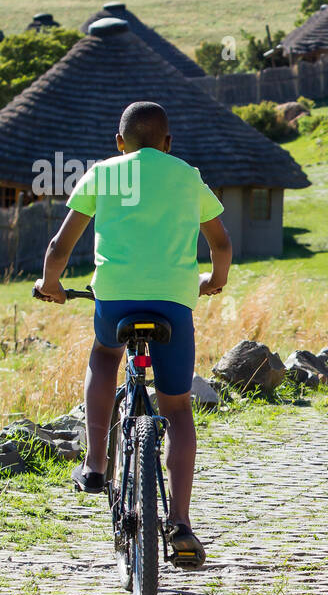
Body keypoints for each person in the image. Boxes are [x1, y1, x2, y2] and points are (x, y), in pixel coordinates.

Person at [34, 101, 232, 567]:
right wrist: (215, 281)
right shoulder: (187, 175)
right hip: (173, 302)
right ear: (167, 143)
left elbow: (60, 244)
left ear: (119, 142)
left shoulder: (104, 173)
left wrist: (51, 284)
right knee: (178, 409)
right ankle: (180, 522)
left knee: (105, 357)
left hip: (116, 298)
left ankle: (96, 464)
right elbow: (220, 243)